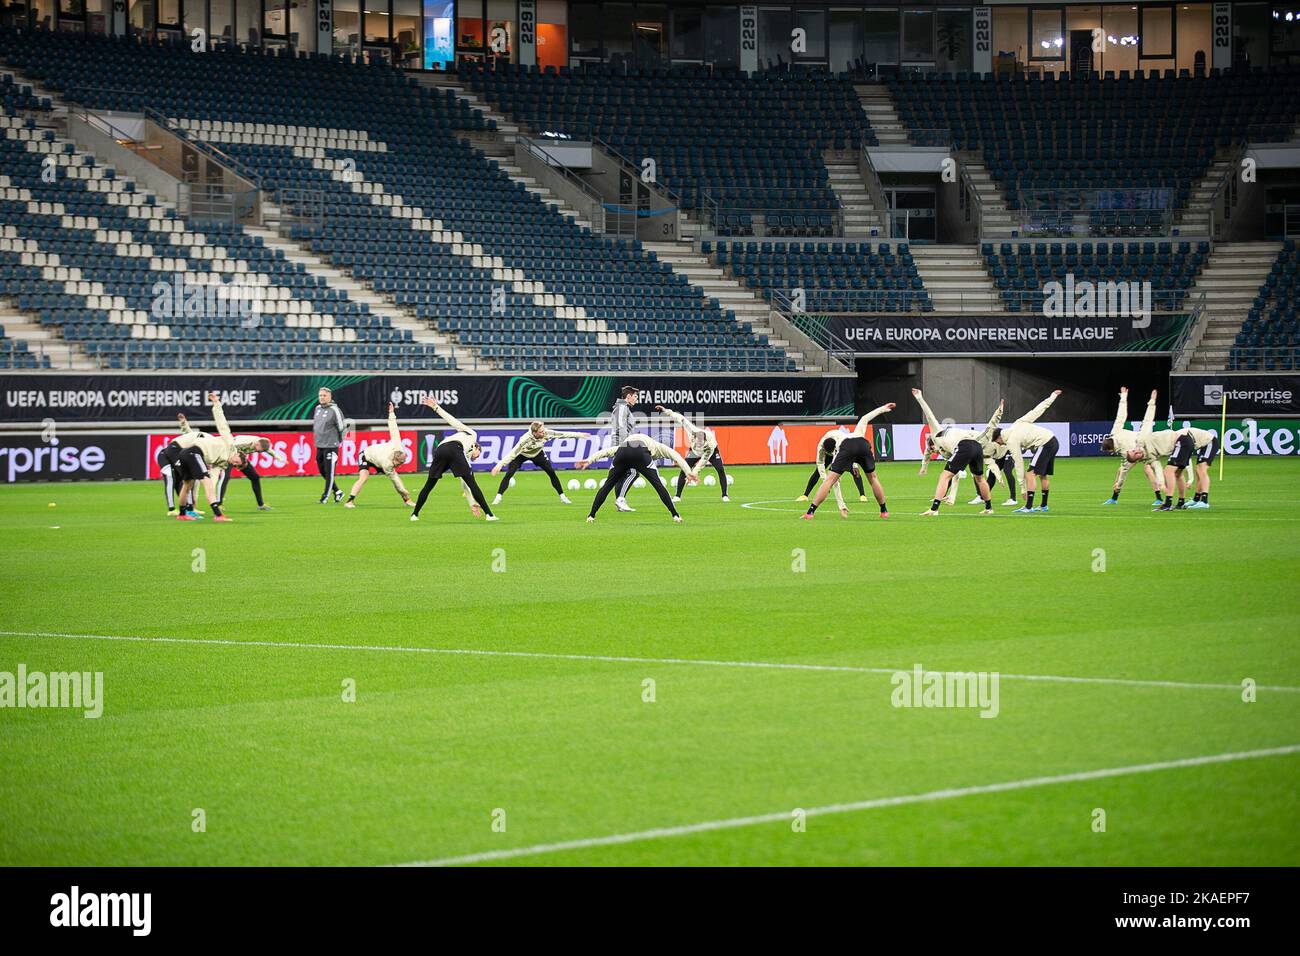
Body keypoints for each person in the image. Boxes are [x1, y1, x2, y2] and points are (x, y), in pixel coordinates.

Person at [913, 389, 1003, 516]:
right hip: (976, 446)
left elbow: (929, 415)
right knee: (980, 479)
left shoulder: (936, 432)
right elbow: (928, 455)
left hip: (964, 445)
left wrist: (919, 398)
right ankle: (989, 508)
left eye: (933, 449)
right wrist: (924, 467)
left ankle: (934, 509)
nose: (934, 451)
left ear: (932, 443)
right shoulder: (944, 449)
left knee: (944, 476)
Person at [801, 404, 895, 520]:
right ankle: (884, 510)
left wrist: (841, 505)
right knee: (873, 478)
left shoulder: (838, 445)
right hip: (863, 444)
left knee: (829, 481)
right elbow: (865, 417)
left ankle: (810, 512)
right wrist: (883, 409)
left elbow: (834, 481)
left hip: (847, 448)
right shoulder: (855, 432)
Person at [577, 434, 699, 522]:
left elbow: (606, 451)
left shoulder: (627, 443)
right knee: (658, 485)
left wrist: (589, 460)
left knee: (607, 485)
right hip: (641, 453)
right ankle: (675, 515)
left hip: (622, 451)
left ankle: (591, 515)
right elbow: (677, 456)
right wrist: (689, 472)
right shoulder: (659, 447)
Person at [410, 398, 496, 521]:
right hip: (454, 448)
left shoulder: (465, 455)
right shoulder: (472, 434)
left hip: (440, 450)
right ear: (477, 447)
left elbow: (463, 483)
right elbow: (453, 421)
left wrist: (472, 503)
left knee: (429, 484)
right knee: (473, 483)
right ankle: (489, 515)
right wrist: (436, 408)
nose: (477, 458)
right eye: (478, 454)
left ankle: (415, 514)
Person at [166, 392, 246, 522]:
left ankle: (182, 514)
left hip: (188, 453)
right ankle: (218, 515)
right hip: (194, 452)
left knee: (187, 485)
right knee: (201, 482)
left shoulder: (222, 463)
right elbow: (222, 423)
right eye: (237, 462)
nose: (235, 464)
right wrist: (216, 403)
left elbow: (213, 476)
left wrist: (211, 489)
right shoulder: (229, 442)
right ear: (238, 454)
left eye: (236, 466)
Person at [177, 413, 272, 512]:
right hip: (193, 455)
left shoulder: (225, 454)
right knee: (192, 483)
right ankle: (204, 506)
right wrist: (184, 424)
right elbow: (192, 434)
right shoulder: (218, 440)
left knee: (192, 483)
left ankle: (190, 509)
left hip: (225, 458)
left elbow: (215, 473)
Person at [991, 390, 1063, 513]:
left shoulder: (1011, 441)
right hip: (1053, 440)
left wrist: (1023, 489)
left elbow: (1018, 464)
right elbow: (1037, 411)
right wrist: (1052, 396)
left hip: (1044, 444)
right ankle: (1043, 506)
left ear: (999, 438)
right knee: (1042, 475)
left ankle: (1028, 507)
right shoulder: (1017, 423)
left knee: (1030, 474)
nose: (999, 444)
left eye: (998, 442)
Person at [490, 421, 588, 505]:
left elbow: (562, 434)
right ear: (534, 433)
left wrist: (579, 435)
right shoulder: (525, 440)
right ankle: (498, 498)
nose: (543, 432)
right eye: (541, 431)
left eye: (543, 430)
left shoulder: (546, 433)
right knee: (509, 474)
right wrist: (499, 465)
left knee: (551, 472)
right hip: (521, 455)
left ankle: (563, 497)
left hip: (538, 454)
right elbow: (512, 453)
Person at [345, 403, 414, 508]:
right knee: (364, 477)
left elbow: (393, 428)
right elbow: (395, 480)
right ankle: (349, 501)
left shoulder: (397, 445)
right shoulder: (387, 464)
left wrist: (391, 413)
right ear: (394, 460)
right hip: (366, 455)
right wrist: (403, 490)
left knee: (397, 481)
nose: (398, 466)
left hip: (376, 458)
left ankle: (407, 501)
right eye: (398, 464)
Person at [655, 405, 729, 501]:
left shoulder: (709, 445)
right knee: (683, 469)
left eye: (700, 442)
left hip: (711, 452)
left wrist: (693, 474)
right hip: (694, 452)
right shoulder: (691, 429)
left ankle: (724, 495)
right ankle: (677, 496)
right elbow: (679, 417)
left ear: (704, 440)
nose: (698, 443)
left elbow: (702, 462)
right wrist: (665, 410)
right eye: (697, 441)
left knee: (720, 469)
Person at [798, 428, 867, 503]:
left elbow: (851, 453)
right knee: (817, 472)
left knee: (854, 471)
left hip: (841, 452)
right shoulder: (821, 447)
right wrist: (826, 484)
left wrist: (854, 465)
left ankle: (862, 495)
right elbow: (820, 464)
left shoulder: (843, 443)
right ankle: (805, 496)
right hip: (831, 449)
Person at [313, 387, 348, 504]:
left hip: (331, 445)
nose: (322, 397)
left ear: (330, 397)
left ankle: (325, 497)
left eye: (324, 395)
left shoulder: (335, 410)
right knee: (322, 470)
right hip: (320, 445)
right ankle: (338, 491)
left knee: (329, 472)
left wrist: (338, 442)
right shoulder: (317, 408)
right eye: (320, 395)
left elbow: (343, 427)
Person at [608, 385, 640, 512]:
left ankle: (620, 503)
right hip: (622, 445)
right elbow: (621, 427)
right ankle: (620, 499)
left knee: (621, 475)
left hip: (622, 445)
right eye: (635, 396)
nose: (636, 399)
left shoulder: (624, 408)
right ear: (628, 396)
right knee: (634, 472)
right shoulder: (622, 407)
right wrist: (628, 444)